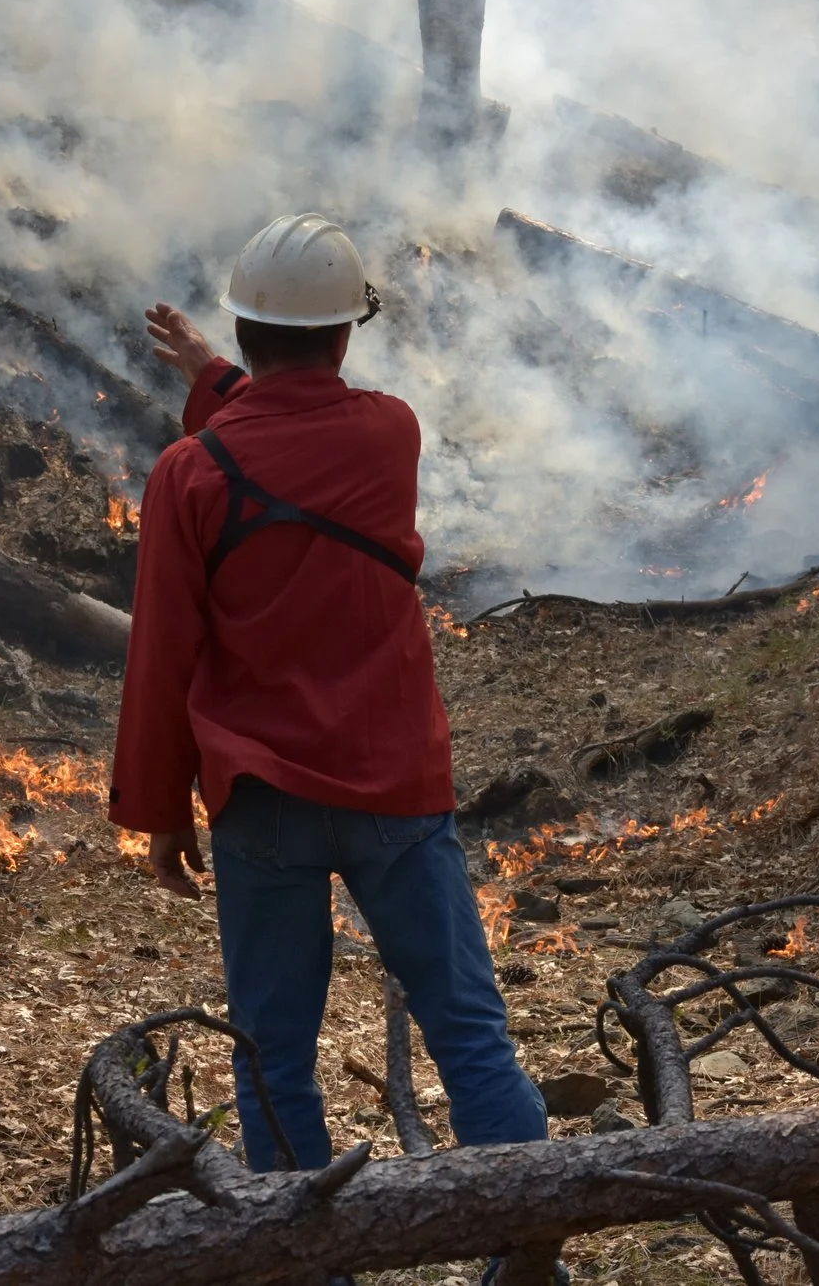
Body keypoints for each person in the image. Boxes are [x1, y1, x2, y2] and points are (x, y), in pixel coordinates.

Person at [109, 213, 548, 1172]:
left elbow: (163, 658)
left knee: (275, 1058)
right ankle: (525, 1239)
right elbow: (302, 432)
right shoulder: (391, 433)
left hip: (261, 800)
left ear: (243, 331)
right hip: (394, 787)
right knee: (468, 1032)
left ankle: (299, 1256)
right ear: (348, 331)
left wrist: (157, 812)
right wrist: (218, 382)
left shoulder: (190, 474)